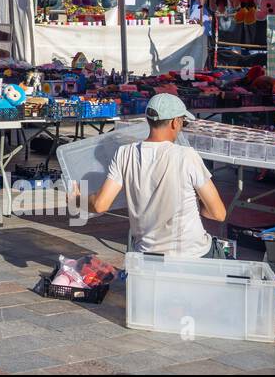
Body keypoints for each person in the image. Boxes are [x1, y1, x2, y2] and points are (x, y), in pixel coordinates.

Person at [87, 93, 228, 258]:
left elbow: (99, 205)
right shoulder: (186, 155)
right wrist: (198, 203)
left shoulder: (125, 153)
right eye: (183, 121)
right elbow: (219, 213)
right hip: (192, 253)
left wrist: (77, 198)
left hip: (148, 254)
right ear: (175, 122)